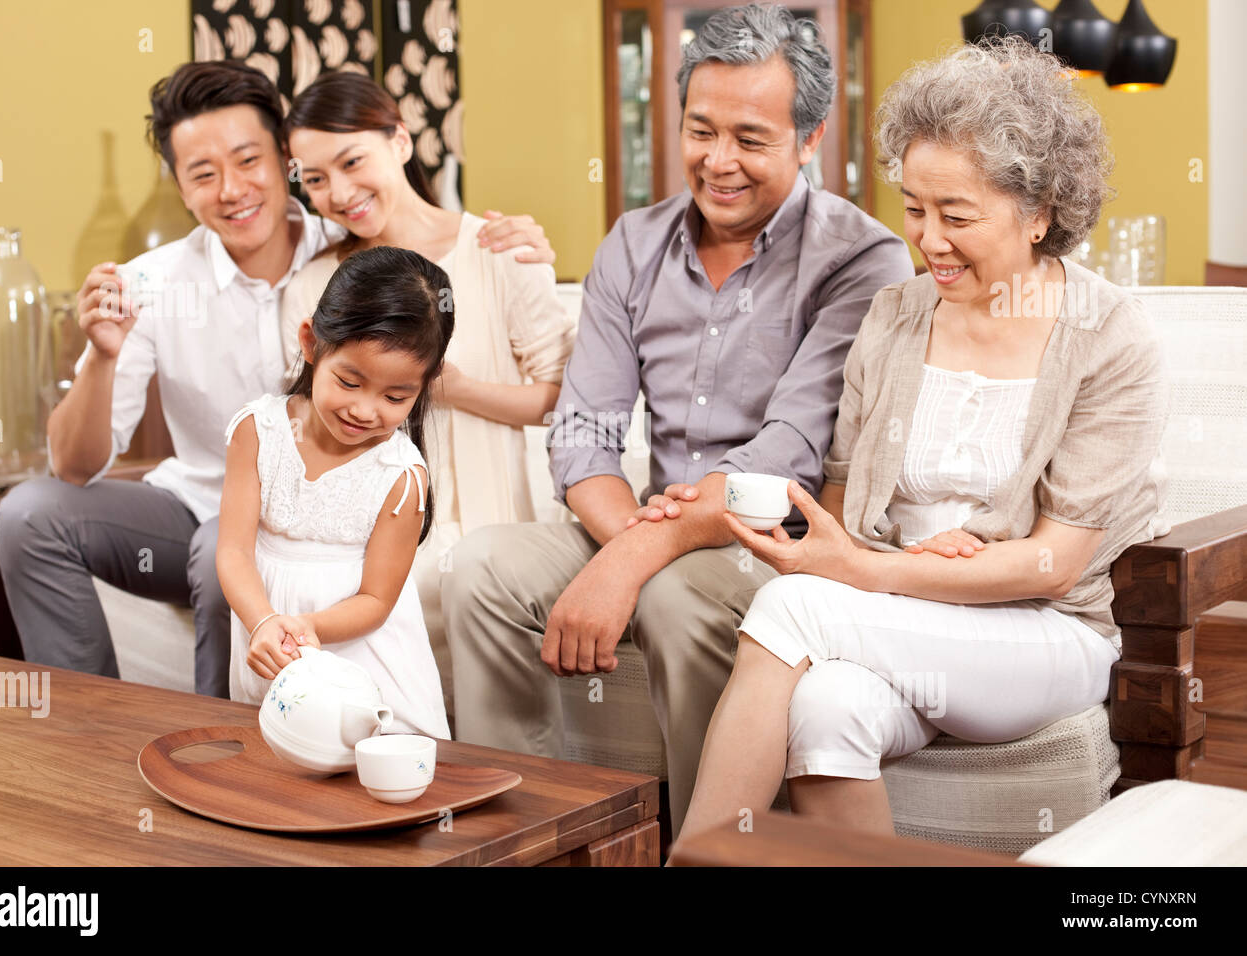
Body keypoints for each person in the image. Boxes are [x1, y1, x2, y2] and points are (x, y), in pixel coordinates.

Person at [670, 36, 1170, 853]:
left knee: (791, 606)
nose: (928, 240)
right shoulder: (895, 318)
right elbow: (841, 505)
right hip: (895, 614)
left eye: (958, 216)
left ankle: (691, 862)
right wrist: (854, 559)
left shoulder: (1108, 336)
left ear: (1040, 211)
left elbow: (1057, 563)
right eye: (914, 209)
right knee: (827, 705)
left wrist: (863, 574)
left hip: (1045, 630)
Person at [441, 2, 914, 838]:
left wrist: (637, 558)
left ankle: (720, 851)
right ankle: (521, 837)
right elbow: (583, 429)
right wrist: (631, 539)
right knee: (481, 570)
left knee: (678, 598)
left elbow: (788, 453)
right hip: (647, 514)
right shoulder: (634, 242)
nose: (717, 161)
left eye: (750, 138)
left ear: (810, 139)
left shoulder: (862, 258)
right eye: (700, 130)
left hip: (773, 542)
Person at [0, 60, 552, 698]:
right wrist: (101, 355)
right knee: (28, 513)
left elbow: (430, 256)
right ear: (180, 187)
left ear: (284, 161)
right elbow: (72, 465)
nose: (232, 189)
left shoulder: (349, 257)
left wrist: (512, 238)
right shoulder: (153, 282)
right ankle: (85, 726)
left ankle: (218, 748)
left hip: (286, 523)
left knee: (224, 551)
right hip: (190, 508)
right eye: (202, 174)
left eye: (249, 160)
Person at [279, 71, 575, 719]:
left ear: (402, 142)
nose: (339, 193)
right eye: (315, 178)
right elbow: (304, 429)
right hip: (372, 548)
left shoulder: (499, 249)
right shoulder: (315, 285)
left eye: (352, 161)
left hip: (490, 537)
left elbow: (556, 396)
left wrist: (457, 391)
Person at [217, 245, 452, 739]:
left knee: (370, 773)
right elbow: (234, 550)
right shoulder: (258, 431)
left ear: (425, 384)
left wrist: (309, 629)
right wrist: (264, 623)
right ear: (311, 343)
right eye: (349, 381)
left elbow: (376, 599)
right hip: (271, 641)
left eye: (395, 397)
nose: (365, 411)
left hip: (366, 658)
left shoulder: (400, 474)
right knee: (282, 765)